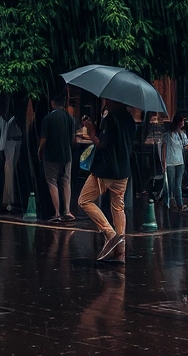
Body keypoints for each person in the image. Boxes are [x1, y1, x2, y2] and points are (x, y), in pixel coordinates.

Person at [79, 99, 136, 262]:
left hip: (105, 170)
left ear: (113, 100)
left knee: (84, 200)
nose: (106, 102)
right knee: (118, 208)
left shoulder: (111, 119)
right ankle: (121, 254)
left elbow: (101, 143)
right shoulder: (130, 120)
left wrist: (91, 131)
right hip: (123, 171)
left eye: (107, 100)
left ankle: (109, 233)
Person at [38, 95, 77, 223]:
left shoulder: (48, 118)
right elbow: (73, 139)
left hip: (51, 155)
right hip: (67, 155)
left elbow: (43, 140)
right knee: (66, 181)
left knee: (52, 181)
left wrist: (40, 151)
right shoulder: (69, 118)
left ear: (52, 102)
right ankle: (68, 211)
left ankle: (57, 212)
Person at [162, 116, 188, 212]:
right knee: (169, 184)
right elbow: (164, 149)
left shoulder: (182, 135)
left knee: (178, 185)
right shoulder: (167, 135)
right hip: (170, 162)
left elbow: (186, 146)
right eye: (182, 121)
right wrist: (163, 162)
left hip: (180, 162)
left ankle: (180, 204)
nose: (183, 123)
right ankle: (167, 202)